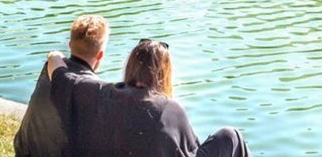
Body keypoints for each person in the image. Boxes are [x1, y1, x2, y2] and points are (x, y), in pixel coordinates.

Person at [46, 38, 248, 157]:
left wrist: (54, 55)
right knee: (231, 136)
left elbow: (58, 72)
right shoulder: (169, 109)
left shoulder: (100, 92)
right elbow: (191, 151)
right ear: (164, 73)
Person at [17, 15, 109, 157]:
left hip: (24, 151)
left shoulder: (50, 68)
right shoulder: (93, 88)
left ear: (70, 45)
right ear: (100, 54)